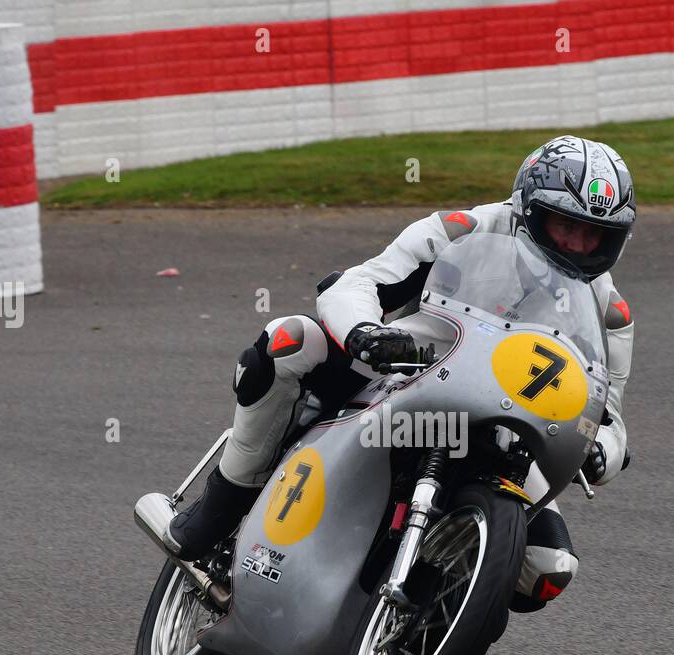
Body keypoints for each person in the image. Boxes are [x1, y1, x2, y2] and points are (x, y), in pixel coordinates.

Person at [161, 135, 636, 611]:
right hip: (411, 367)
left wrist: (601, 452)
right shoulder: (464, 228)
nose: (577, 244)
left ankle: (427, 622)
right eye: (565, 225)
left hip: (511, 429)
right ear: (529, 209)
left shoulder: (609, 313)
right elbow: (357, 282)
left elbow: (607, 413)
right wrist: (366, 332)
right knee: (289, 342)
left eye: (593, 234)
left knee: (547, 567)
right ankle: (220, 510)